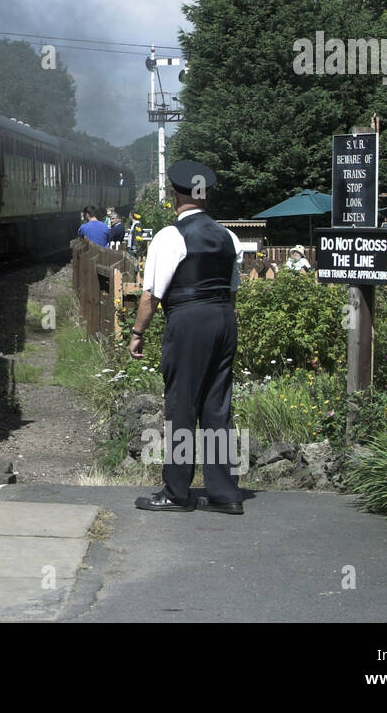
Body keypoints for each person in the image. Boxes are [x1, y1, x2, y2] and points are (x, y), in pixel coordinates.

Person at [129, 160, 245, 515]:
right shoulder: (229, 237)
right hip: (224, 319)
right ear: (205, 195)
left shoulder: (169, 237)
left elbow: (151, 297)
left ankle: (177, 491)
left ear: (174, 195)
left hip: (188, 320)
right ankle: (225, 493)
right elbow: (232, 291)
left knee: (182, 405)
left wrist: (137, 334)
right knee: (218, 407)